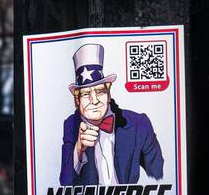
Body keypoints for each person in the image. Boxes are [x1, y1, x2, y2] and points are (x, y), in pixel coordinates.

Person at [59, 43, 163, 186]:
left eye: (100, 91)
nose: (94, 100)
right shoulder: (71, 125)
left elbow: (160, 175)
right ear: (77, 100)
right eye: (85, 94)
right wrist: (79, 149)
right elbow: (65, 183)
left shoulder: (139, 124)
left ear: (108, 94)